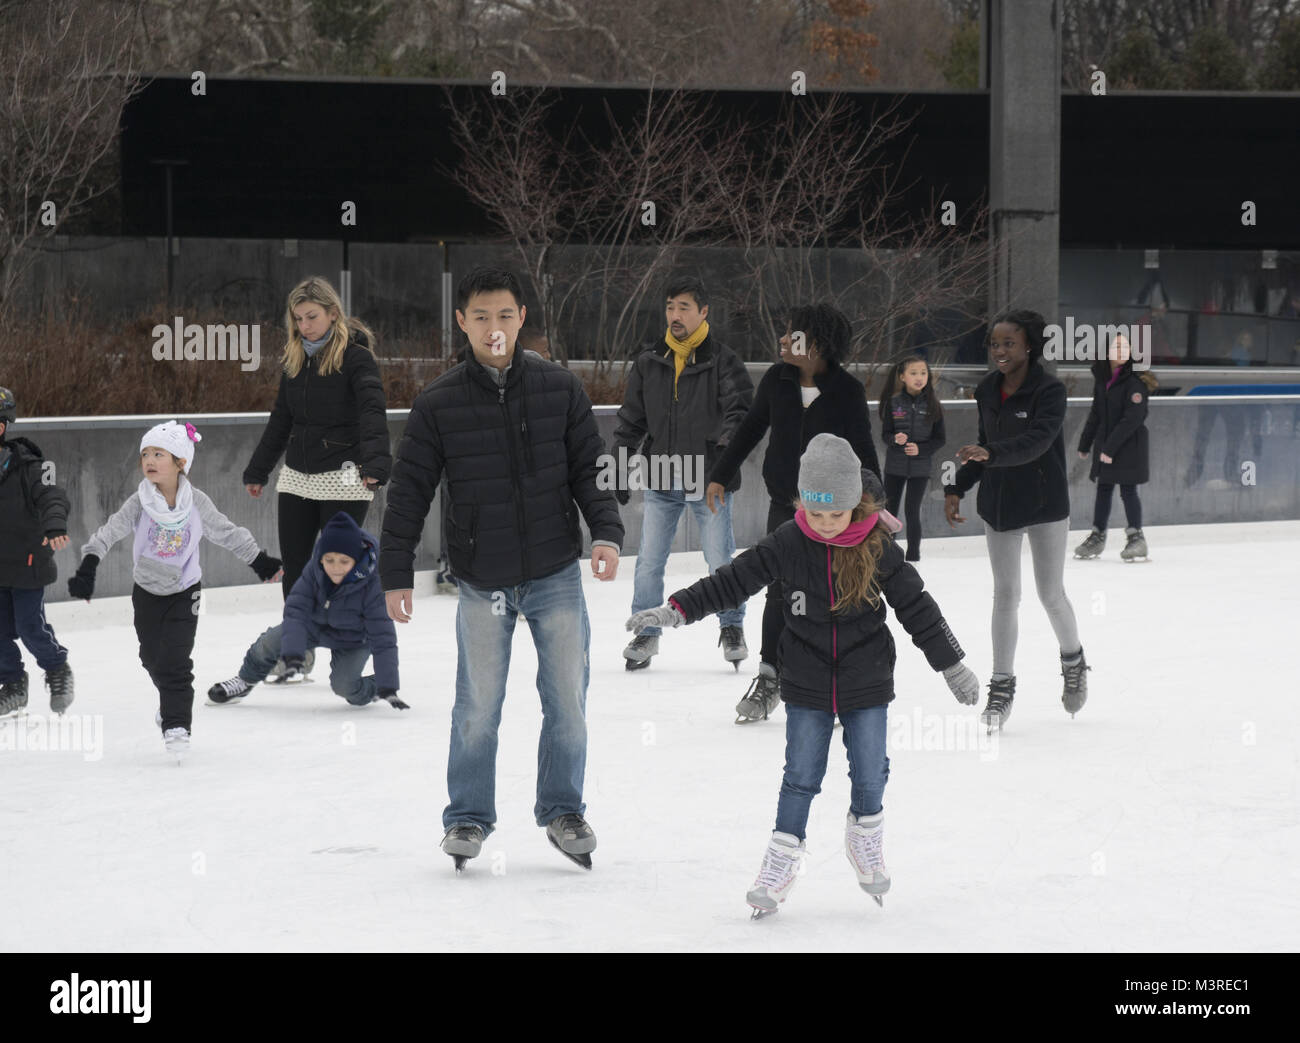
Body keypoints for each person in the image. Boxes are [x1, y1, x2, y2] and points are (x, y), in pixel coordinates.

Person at [627, 434, 978, 916]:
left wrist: (951, 663)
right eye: (816, 514)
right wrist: (675, 610)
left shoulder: (877, 546)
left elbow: (917, 606)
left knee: (871, 771)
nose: (827, 525)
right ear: (802, 504)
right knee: (799, 776)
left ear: (855, 504)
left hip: (867, 678)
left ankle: (865, 838)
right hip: (807, 681)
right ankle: (781, 860)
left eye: (836, 514)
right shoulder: (789, 542)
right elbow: (731, 580)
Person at [379, 266, 624, 872]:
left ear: (521, 320)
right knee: (478, 704)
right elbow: (409, 491)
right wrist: (395, 571)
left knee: (567, 697)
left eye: (506, 316)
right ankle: (466, 817)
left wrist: (609, 533)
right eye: (482, 317)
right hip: (482, 578)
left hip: (554, 573)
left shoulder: (559, 388)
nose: (495, 328)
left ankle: (563, 809)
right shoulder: (437, 403)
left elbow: (590, 468)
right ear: (462, 322)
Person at [705, 303, 883, 724]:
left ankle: (836, 682)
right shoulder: (776, 379)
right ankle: (771, 676)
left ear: (815, 344)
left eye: (792, 334)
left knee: (837, 594)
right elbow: (751, 428)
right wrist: (720, 474)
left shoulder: (847, 391)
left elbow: (864, 451)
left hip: (836, 515)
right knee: (779, 591)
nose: (783, 340)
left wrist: (876, 500)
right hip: (785, 506)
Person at [68, 421, 283, 760]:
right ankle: (171, 702)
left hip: (186, 591)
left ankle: (176, 725)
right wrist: (89, 565)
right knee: (151, 658)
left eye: (158, 454)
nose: (149, 461)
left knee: (176, 662)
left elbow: (226, 532)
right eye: (145, 454)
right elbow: (110, 531)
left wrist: (259, 559)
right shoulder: (139, 502)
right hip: (147, 591)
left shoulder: (196, 502)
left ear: (181, 462)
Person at [942, 310, 1090, 730]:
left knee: (1050, 593)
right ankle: (1001, 687)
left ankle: (1073, 659)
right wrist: (957, 487)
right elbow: (985, 446)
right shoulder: (987, 389)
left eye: (1009, 343)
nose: (1000, 351)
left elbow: (1037, 443)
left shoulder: (1050, 391)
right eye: (994, 344)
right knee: (1005, 594)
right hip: (1001, 505)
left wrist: (992, 454)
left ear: (1029, 346)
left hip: (1044, 504)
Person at [243, 277, 391, 676]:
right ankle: (299, 649)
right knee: (297, 567)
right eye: (298, 319)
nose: (305, 326)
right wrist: (259, 469)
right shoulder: (295, 361)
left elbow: (372, 413)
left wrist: (376, 464)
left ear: (332, 314)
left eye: (312, 317)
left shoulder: (356, 358)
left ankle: (351, 643)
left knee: (338, 565)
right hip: (297, 476)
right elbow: (281, 420)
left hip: (345, 477)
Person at [612, 274, 754, 672]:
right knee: (649, 562)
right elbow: (631, 419)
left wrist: (722, 468)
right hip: (661, 478)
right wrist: (621, 463)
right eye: (670, 307)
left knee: (719, 560)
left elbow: (740, 416)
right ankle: (646, 631)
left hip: (708, 481)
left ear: (703, 312)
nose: (675, 315)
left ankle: (731, 626)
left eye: (684, 308)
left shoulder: (722, 360)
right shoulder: (649, 361)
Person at [207, 511, 406, 709]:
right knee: (270, 642)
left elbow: (383, 637)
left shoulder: (373, 584)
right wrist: (293, 652)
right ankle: (244, 681)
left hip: (354, 639)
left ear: (356, 559)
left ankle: (376, 686)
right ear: (321, 558)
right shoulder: (315, 571)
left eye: (344, 562)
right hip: (315, 626)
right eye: (329, 560)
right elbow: (296, 610)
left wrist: (389, 684)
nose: (335, 568)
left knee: (346, 688)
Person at [0, 387, 74, 717]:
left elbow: (52, 497)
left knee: (30, 627)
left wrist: (54, 525)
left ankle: (57, 668)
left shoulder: (30, 466)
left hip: (27, 565)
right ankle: (13, 683)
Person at [1074, 332, 1157, 562]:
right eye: (1117, 347)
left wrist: (1109, 450)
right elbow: (1096, 414)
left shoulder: (1135, 383)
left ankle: (1136, 538)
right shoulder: (1103, 382)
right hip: (1106, 446)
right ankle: (1097, 535)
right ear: (1107, 352)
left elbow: (1132, 419)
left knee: (1128, 490)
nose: (1122, 351)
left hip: (1129, 447)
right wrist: (1085, 443)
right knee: (1104, 488)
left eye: (1125, 347)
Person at [878, 355, 946, 562]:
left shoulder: (934, 404)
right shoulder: (894, 402)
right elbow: (885, 434)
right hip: (894, 468)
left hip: (920, 469)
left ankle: (913, 556)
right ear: (902, 377)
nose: (919, 377)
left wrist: (920, 449)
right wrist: (894, 440)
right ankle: (888, 554)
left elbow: (939, 440)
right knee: (889, 512)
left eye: (923, 373)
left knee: (912, 511)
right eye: (914, 373)